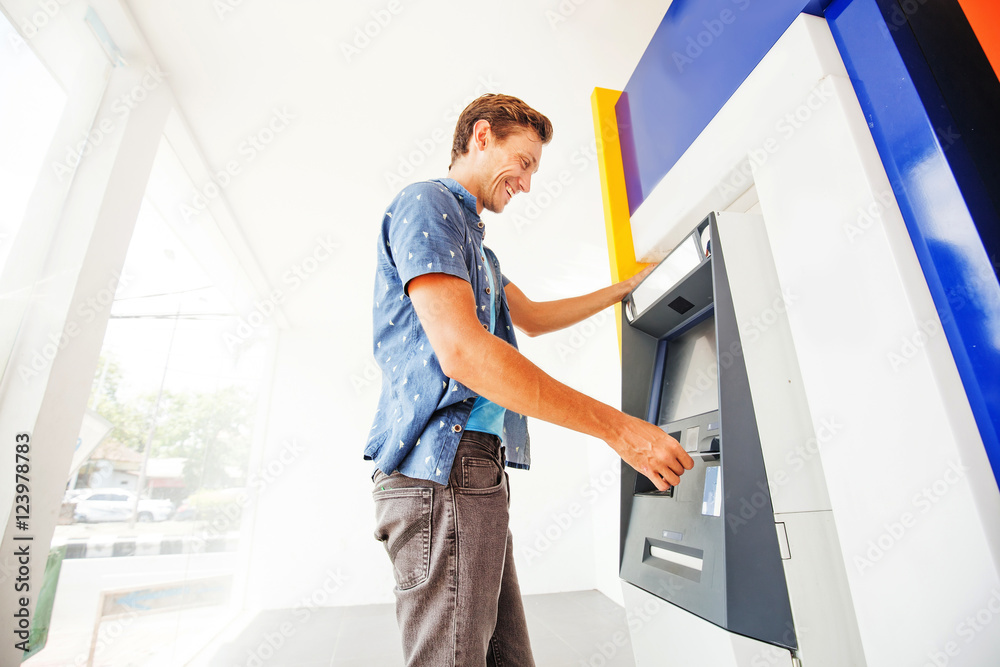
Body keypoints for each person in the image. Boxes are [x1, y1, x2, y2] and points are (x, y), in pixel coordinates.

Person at [365, 93, 693, 667]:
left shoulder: (479, 253)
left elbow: (534, 318)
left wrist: (625, 290)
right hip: (442, 473)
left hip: (475, 473)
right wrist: (618, 430)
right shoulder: (426, 206)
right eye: (524, 162)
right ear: (482, 135)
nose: (527, 183)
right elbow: (463, 354)